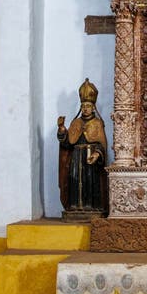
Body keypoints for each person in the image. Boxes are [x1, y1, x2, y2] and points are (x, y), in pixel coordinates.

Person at [57, 78, 108, 217]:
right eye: (83, 106)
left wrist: (97, 154)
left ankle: (92, 207)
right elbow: (67, 143)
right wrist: (62, 129)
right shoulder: (76, 122)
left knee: (90, 181)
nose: (85, 109)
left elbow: (102, 144)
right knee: (74, 179)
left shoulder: (97, 123)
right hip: (76, 157)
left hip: (91, 159)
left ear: (93, 107)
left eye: (88, 106)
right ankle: (73, 207)